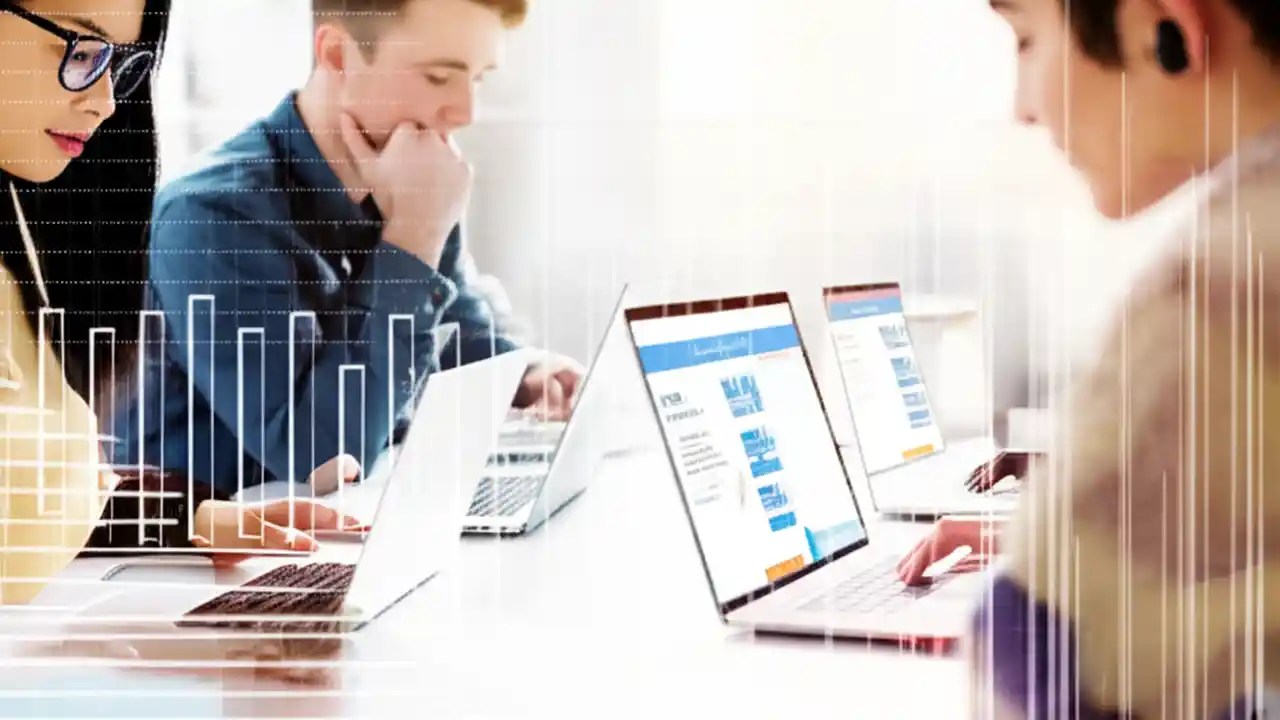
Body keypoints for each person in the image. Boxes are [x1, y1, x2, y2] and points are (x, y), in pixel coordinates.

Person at [923, 0, 1279, 716]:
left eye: (1026, 40)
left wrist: (1073, 554)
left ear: (1162, 24)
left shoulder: (1230, 285)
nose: (1022, 107)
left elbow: (1045, 655)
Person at [112, 0, 583, 497]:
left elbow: (457, 333)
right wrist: (414, 239)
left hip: (358, 524)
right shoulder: (211, 217)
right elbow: (323, 461)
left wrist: (527, 371)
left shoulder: (409, 170)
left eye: (478, 78)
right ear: (337, 54)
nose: (465, 114)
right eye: (439, 78)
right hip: (224, 553)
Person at [0, 0, 363, 606]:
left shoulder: (19, 223)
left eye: (122, 64)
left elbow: (33, 490)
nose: (107, 101)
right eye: (83, 51)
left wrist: (195, 520)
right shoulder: (216, 213)